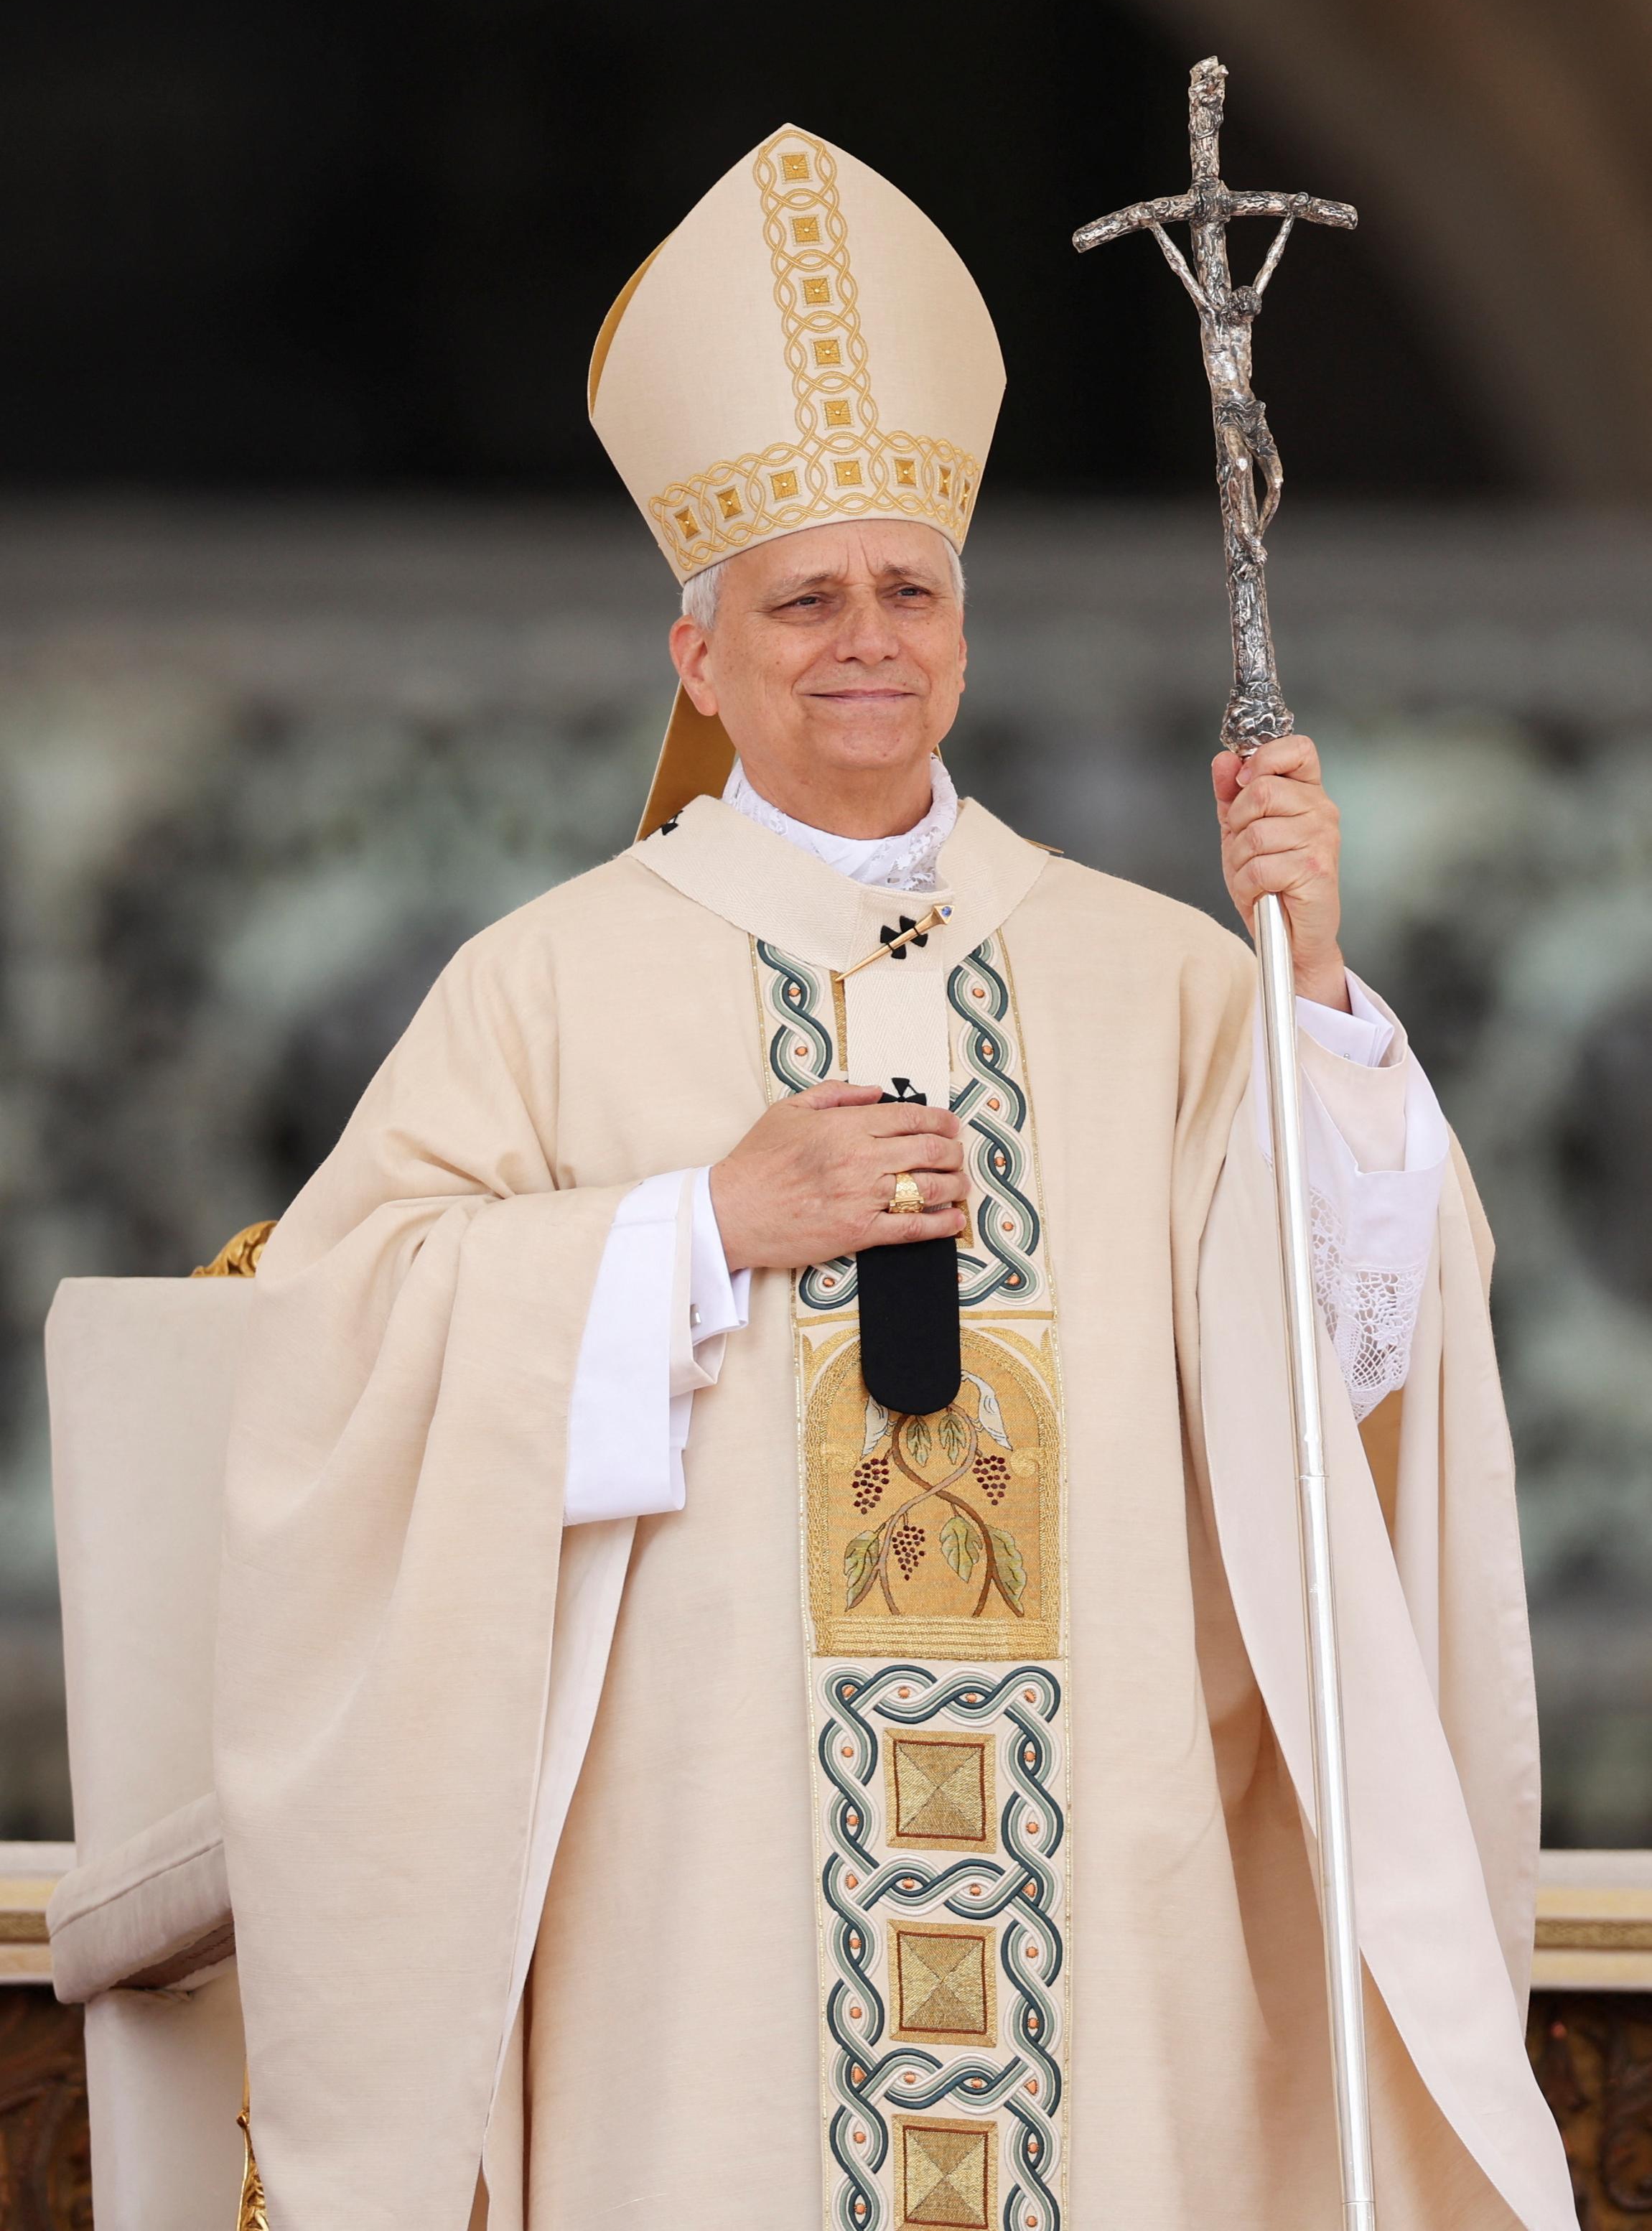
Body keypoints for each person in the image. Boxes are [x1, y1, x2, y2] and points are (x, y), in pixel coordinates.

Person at [215, 127, 1573, 2231]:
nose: (867, 636)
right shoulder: (551, 985)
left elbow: (1354, 1369)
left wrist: (1313, 1001)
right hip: (713, 1921)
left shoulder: (1163, 980)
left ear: (964, 621)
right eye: (805, 597)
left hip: (1100, 1888)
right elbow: (334, 1344)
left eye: (910, 588)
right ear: (697, 657)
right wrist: (693, 1231)